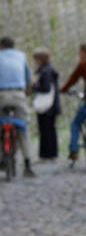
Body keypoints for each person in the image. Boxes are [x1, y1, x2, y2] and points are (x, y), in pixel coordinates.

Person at [0, 35, 36, 177]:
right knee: (23, 128)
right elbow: (28, 77)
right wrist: (27, 90)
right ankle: (28, 164)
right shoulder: (21, 56)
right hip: (18, 95)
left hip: (1, 95)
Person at [30, 49, 60, 160]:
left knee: (46, 130)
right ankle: (49, 154)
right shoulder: (47, 69)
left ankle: (48, 154)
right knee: (49, 130)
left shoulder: (46, 71)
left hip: (47, 107)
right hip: (51, 106)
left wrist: (34, 87)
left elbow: (46, 88)